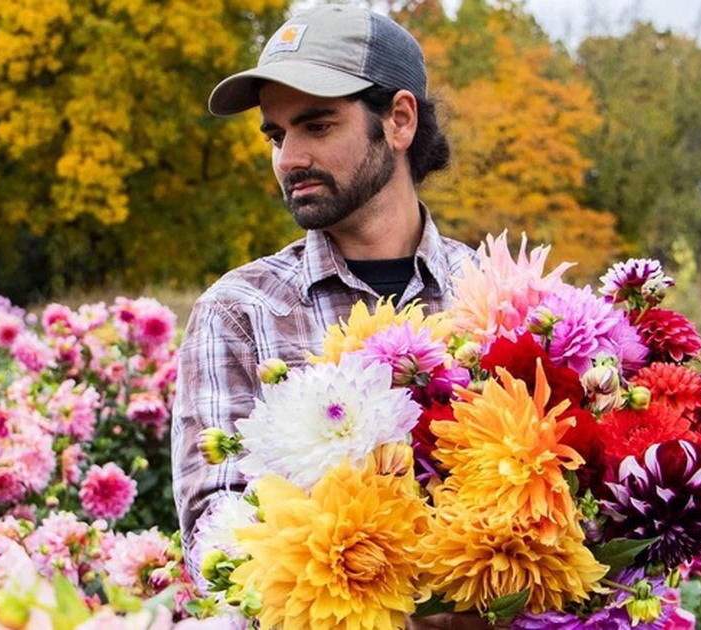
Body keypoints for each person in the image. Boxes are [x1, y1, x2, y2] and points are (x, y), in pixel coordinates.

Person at [170, 4, 489, 628]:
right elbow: (221, 547)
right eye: (276, 135)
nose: (288, 158)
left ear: (398, 121)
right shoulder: (241, 312)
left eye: (316, 125)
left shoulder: (498, 297)